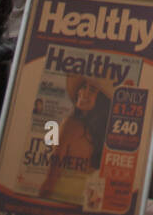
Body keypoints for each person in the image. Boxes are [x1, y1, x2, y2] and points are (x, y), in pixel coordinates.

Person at [39, 74, 111, 205]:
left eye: (92, 90)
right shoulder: (104, 135)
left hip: (61, 197)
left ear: (101, 100)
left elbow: (52, 174)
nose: (83, 92)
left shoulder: (70, 125)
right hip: (88, 201)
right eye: (83, 87)